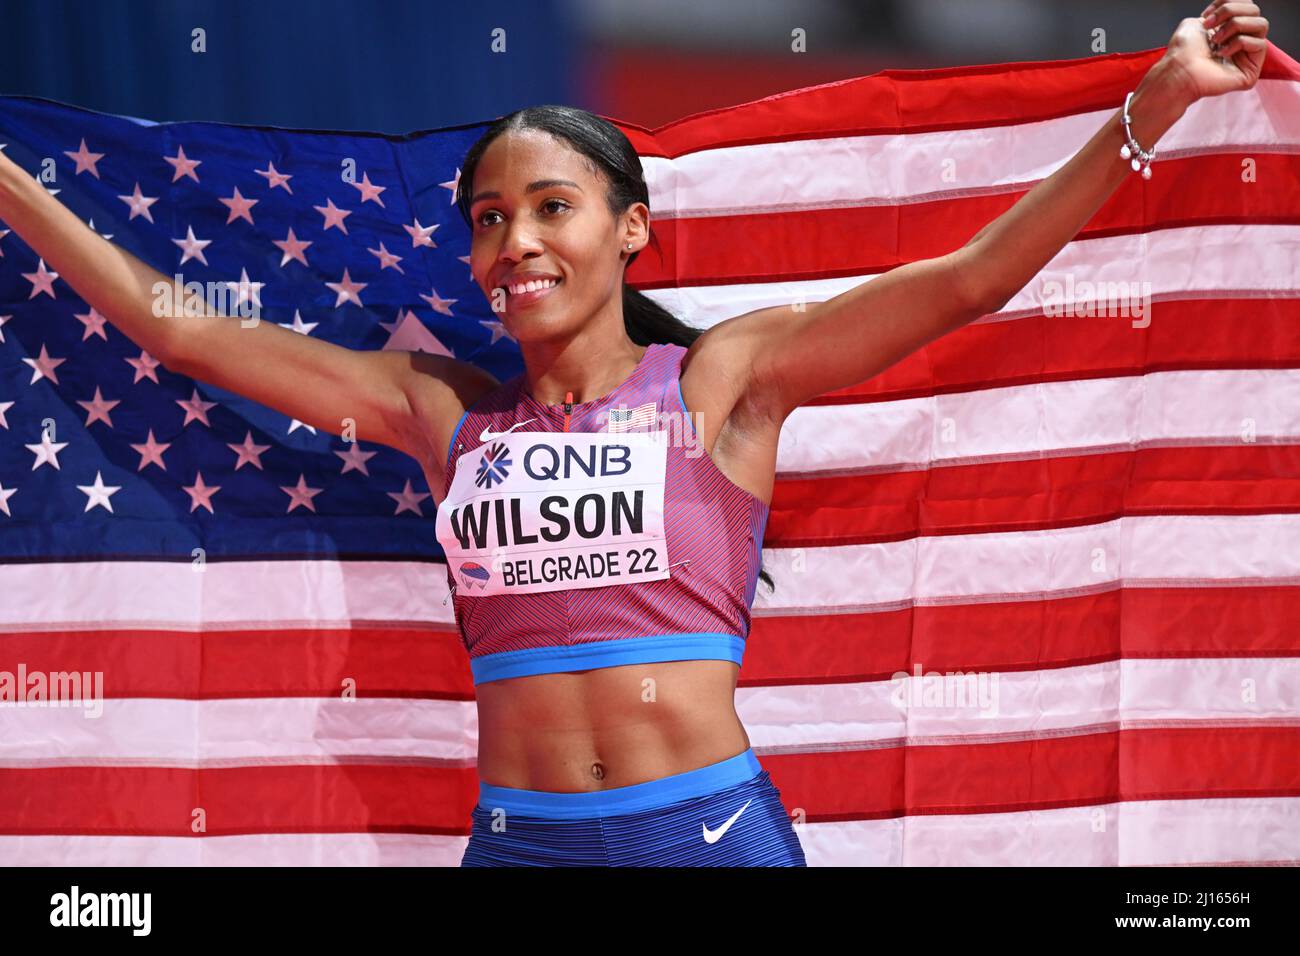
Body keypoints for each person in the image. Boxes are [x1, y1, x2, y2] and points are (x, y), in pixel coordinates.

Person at [0, 2, 1268, 866]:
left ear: (630, 230)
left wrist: (1148, 105)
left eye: (553, 205)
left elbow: (973, 278)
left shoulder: (727, 378)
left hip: (704, 837)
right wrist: (13, 183)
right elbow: (182, 330)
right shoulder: (438, 409)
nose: (517, 241)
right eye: (491, 219)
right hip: (520, 840)